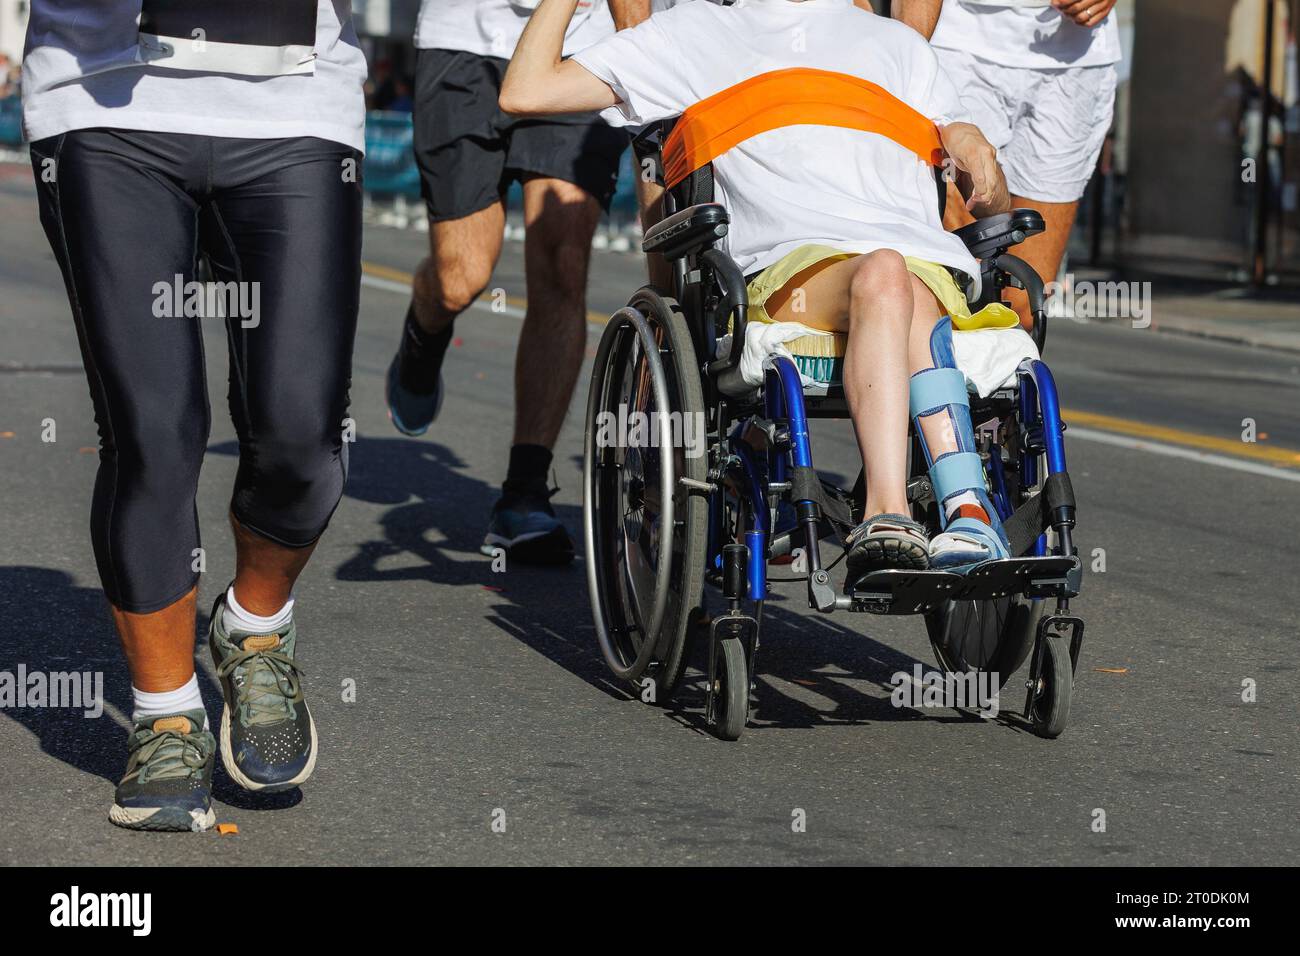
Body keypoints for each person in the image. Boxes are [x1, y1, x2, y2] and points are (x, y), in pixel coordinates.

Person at [503, 0, 1019, 582]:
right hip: (787, 267)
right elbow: (526, 90)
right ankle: (896, 509)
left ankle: (968, 517)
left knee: (905, 283)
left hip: (919, 263)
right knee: (887, 277)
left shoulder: (897, 45)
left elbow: (966, 144)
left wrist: (976, 149)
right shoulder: (693, 32)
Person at [22, 0, 367, 831]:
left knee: (301, 431)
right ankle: (168, 716)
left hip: (299, 106)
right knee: (152, 433)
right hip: (103, 99)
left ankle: (253, 628)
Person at [385, 0, 644, 566]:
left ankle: (524, 491)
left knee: (561, 263)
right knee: (461, 277)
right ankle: (424, 335)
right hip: (464, 43)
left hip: (583, 49)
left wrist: (642, 49)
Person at [918, 0, 1121, 329]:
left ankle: (991, 375)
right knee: (952, 274)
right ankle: (936, 374)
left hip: (1074, 60)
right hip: (956, 41)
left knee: (1023, 306)